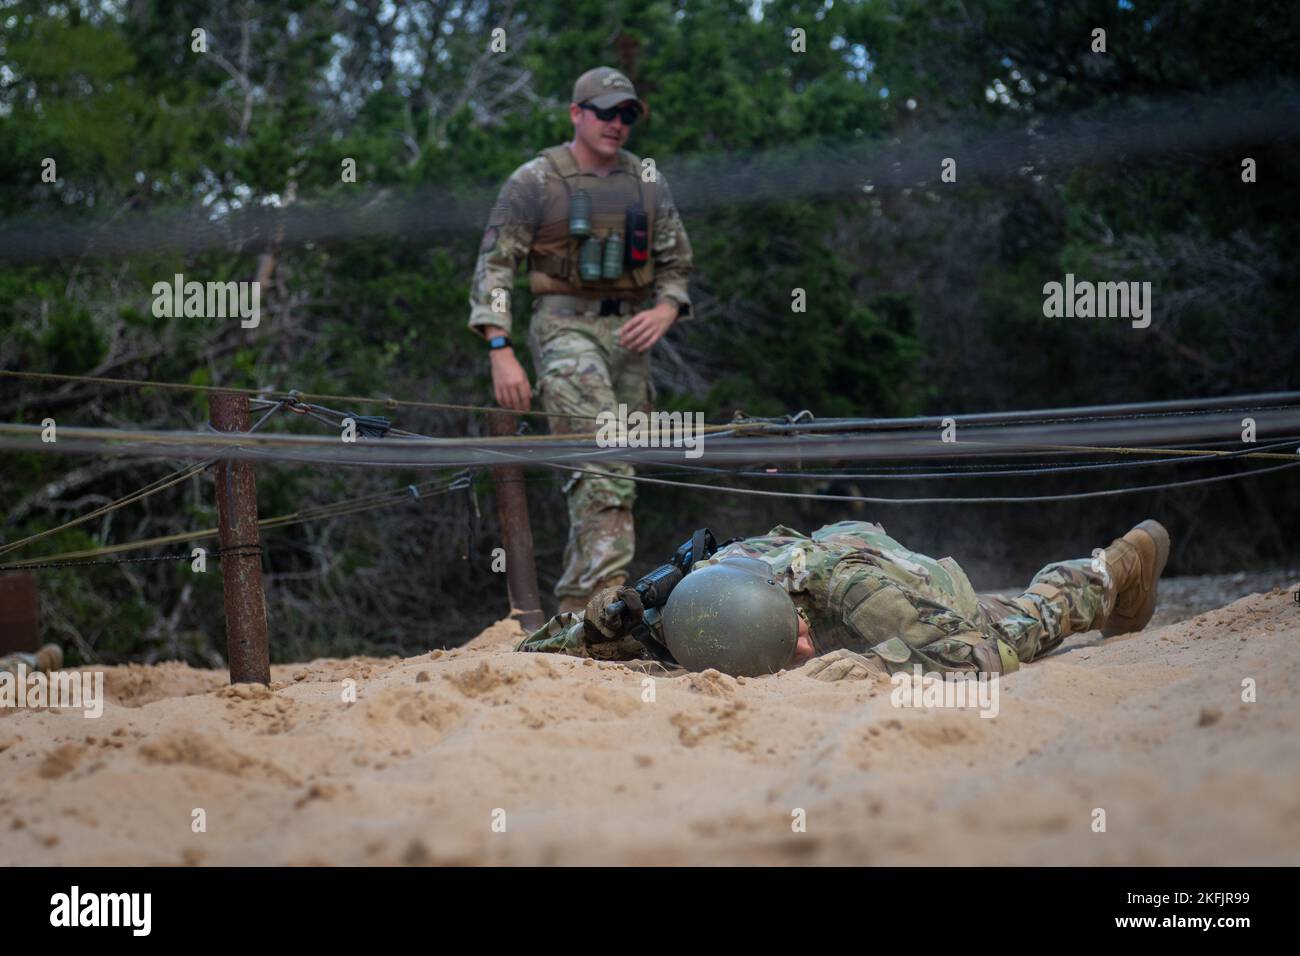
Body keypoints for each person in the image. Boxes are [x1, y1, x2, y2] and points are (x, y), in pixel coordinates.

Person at [468, 66, 694, 613]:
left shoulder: (646, 180)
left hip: (631, 338)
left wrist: (666, 309)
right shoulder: (536, 181)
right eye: (606, 112)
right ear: (577, 114)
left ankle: (576, 612)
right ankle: (599, 612)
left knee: (607, 474)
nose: (618, 124)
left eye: (627, 115)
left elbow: (675, 263)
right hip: (564, 328)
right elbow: (495, 267)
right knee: (604, 465)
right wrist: (500, 348)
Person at [515, 518, 1171, 681]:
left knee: (1016, 624)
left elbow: (984, 657)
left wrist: (880, 665)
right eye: (790, 654)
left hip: (886, 570)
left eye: (798, 637)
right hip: (793, 573)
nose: (803, 652)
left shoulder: (849, 586)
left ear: (797, 612)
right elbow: (538, 648)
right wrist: (598, 629)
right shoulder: (698, 611)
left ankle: (1113, 572)